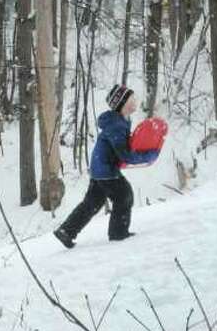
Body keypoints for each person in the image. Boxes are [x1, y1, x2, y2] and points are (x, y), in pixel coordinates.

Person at [53, 84, 160, 248]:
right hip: (106, 169)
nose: (135, 102)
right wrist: (148, 155)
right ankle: (118, 233)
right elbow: (125, 154)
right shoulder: (116, 125)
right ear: (121, 105)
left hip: (100, 168)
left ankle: (66, 231)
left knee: (92, 203)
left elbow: (125, 146)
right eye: (131, 100)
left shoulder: (120, 121)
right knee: (124, 196)